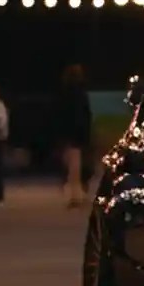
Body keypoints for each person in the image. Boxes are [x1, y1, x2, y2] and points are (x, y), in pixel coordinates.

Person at [54, 65, 92, 208]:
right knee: (77, 167)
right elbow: (85, 116)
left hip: (69, 135)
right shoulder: (81, 94)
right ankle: (76, 195)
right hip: (79, 135)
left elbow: (60, 115)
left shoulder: (64, 93)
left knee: (71, 166)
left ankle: (73, 194)